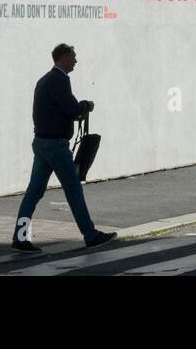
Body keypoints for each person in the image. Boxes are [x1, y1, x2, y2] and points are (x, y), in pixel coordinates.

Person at [11, 44, 118, 254]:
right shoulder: (59, 80)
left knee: (33, 193)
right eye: (73, 57)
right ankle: (91, 235)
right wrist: (86, 106)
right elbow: (71, 109)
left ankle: (20, 238)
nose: (76, 61)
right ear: (63, 57)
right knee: (73, 190)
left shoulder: (43, 80)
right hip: (56, 146)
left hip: (41, 143)